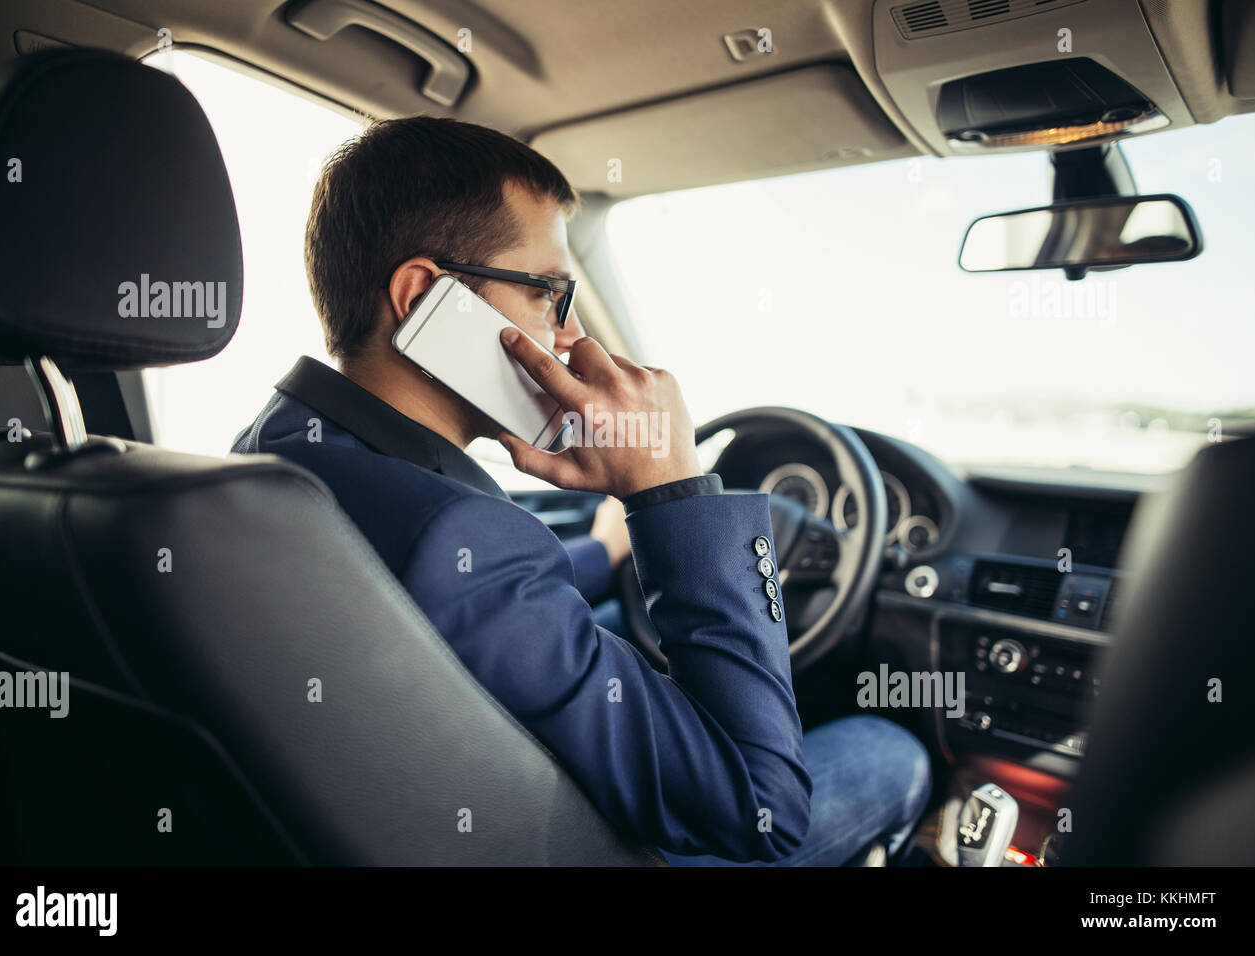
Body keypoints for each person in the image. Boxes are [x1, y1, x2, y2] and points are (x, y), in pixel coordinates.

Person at [232, 115, 930, 865]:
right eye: (548, 296)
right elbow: (764, 807)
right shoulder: (457, 534)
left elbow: (489, 607)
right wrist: (674, 491)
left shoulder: (274, 449)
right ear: (423, 296)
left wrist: (600, 555)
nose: (570, 340)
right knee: (892, 747)